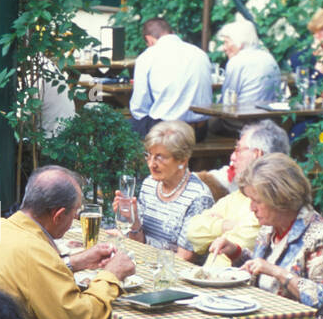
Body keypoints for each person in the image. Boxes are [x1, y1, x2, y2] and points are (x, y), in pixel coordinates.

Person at [0, 165, 134, 319]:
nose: (76, 218)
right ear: (58, 216)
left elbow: (28, 274)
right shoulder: (34, 250)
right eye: (76, 212)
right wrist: (112, 275)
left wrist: (75, 262)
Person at [210, 153, 323, 307]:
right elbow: (261, 270)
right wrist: (235, 252)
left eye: (257, 201)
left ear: (281, 199)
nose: (251, 208)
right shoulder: (270, 228)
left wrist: (279, 273)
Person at [184, 120, 289, 264]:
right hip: (213, 280)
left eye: (239, 150)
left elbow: (228, 250)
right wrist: (227, 225)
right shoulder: (238, 195)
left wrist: (216, 226)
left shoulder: (271, 203)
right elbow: (192, 232)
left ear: (257, 154)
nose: (232, 157)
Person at [112, 120, 212, 260]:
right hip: (146, 264)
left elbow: (184, 259)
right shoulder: (150, 184)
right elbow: (139, 242)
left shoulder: (198, 198)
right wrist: (132, 219)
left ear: (182, 160)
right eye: (149, 155)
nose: (151, 164)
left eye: (160, 157)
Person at [127, 16, 213, 137]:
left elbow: (139, 109)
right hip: (199, 131)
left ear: (149, 40)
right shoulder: (200, 54)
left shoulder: (147, 57)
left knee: (117, 128)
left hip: (166, 133)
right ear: (172, 33)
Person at [217, 17, 281, 108]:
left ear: (240, 43)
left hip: (242, 118)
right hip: (270, 118)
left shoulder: (236, 61)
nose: (224, 48)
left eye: (226, 42)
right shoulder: (269, 57)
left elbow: (227, 100)